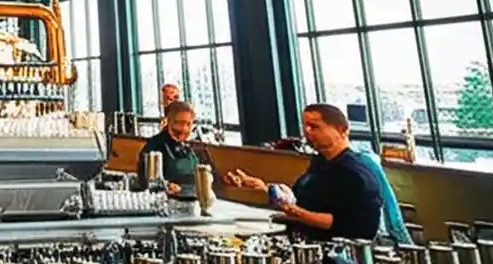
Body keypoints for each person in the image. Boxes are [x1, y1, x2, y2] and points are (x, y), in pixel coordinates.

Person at [225, 103, 381, 241]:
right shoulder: (320, 162)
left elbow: (356, 226)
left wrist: (296, 213)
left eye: (314, 126)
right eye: (305, 126)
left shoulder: (355, 173)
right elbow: (298, 199)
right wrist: (263, 188)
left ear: (342, 130)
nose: (307, 131)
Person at [138, 100, 199, 194]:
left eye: (188, 124)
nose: (184, 128)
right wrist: (167, 186)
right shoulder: (154, 146)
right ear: (169, 121)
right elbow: (146, 182)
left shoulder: (192, 147)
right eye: (179, 123)